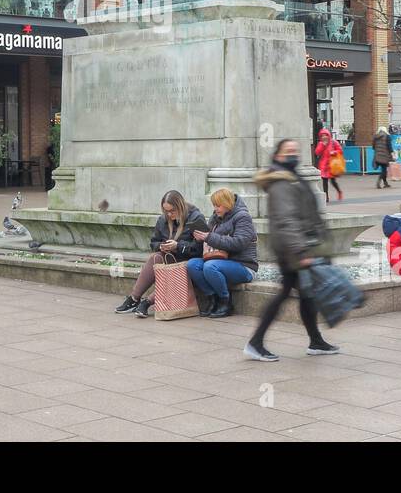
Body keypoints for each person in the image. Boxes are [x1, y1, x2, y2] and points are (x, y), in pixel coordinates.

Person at [244, 139, 340, 361]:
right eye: (289, 151)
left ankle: (315, 341)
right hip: (292, 250)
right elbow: (286, 220)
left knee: (306, 294)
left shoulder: (292, 177)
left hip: (298, 247)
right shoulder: (281, 182)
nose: (294, 154)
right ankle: (255, 343)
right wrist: (300, 252)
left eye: (296, 150)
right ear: (277, 156)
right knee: (286, 294)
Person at [114, 190, 209, 318]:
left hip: (189, 262)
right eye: (166, 211)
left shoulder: (196, 218)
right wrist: (161, 246)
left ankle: (147, 302)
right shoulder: (163, 220)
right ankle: (134, 299)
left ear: (180, 207)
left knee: (175, 271)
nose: (169, 214)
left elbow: (200, 248)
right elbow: (153, 242)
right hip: (170, 258)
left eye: (172, 211)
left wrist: (178, 246)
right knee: (155, 257)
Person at [186, 188, 258, 319]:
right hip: (220, 260)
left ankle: (225, 301)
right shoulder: (215, 217)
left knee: (210, 266)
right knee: (192, 265)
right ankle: (211, 298)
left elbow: (239, 243)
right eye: (214, 205)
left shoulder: (243, 217)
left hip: (244, 265)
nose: (215, 208)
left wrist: (209, 237)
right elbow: (211, 240)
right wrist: (200, 238)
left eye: (218, 205)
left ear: (228, 203)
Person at [313, 128, 344, 203]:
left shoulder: (334, 142)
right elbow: (317, 152)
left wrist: (334, 152)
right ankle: (326, 196)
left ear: (328, 135)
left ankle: (339, 191)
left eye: (325, 135)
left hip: (332, 165)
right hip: (324, 165)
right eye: (322, 136)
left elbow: (340, 150)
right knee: (324, 181)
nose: (324, 137)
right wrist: (323, 145)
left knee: (333, 181)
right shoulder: (321, 143)